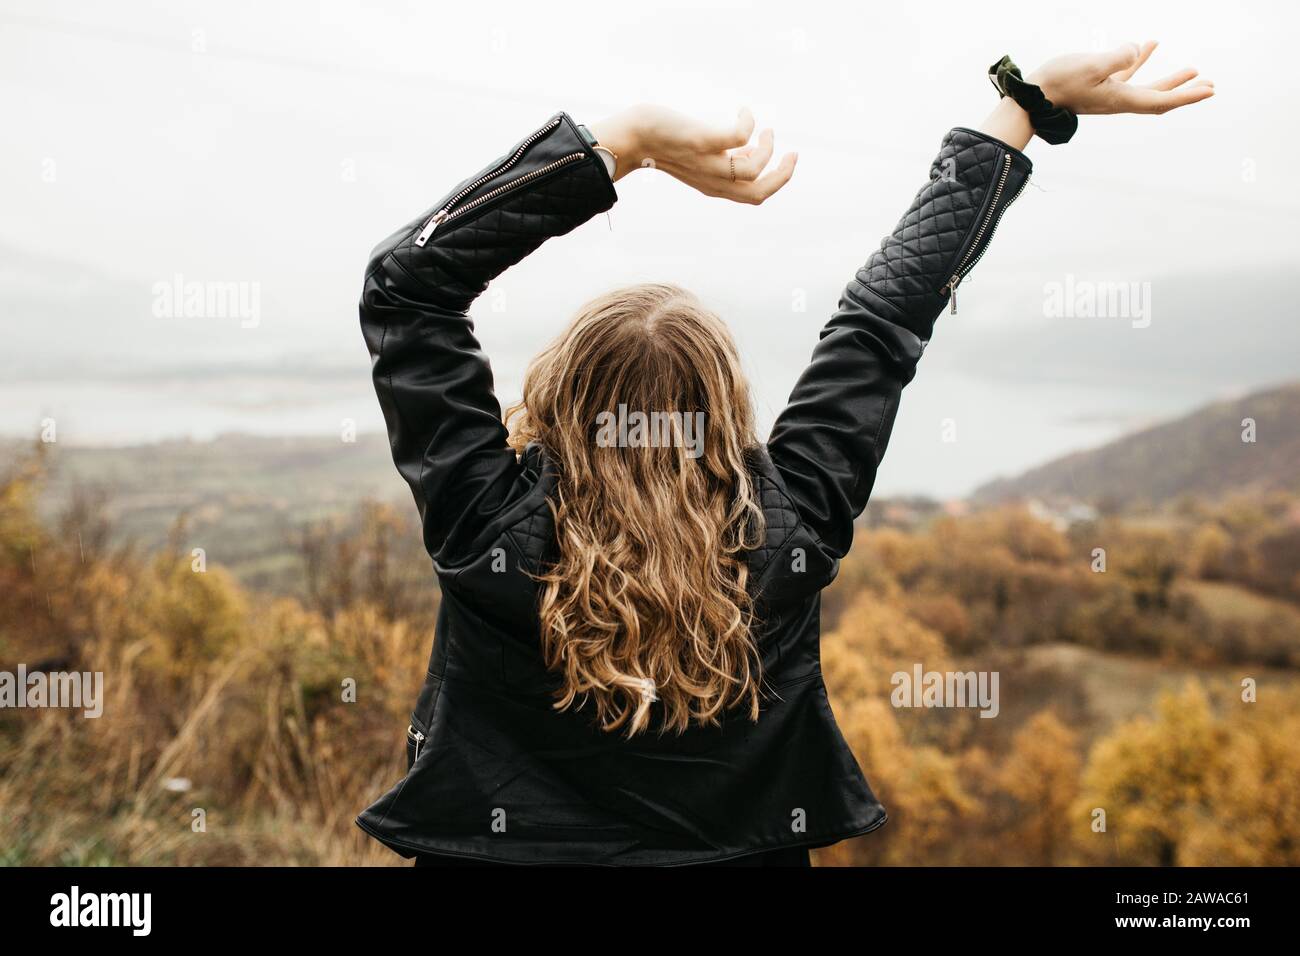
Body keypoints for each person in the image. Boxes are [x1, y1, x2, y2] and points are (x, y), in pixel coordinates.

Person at [354, 42, 1213, 866]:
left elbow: (409, 286)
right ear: (724, 408)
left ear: (561, 396)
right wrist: (1024, 106)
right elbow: (886, 318)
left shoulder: (483, 525)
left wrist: (625, 143)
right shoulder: (793, 520)